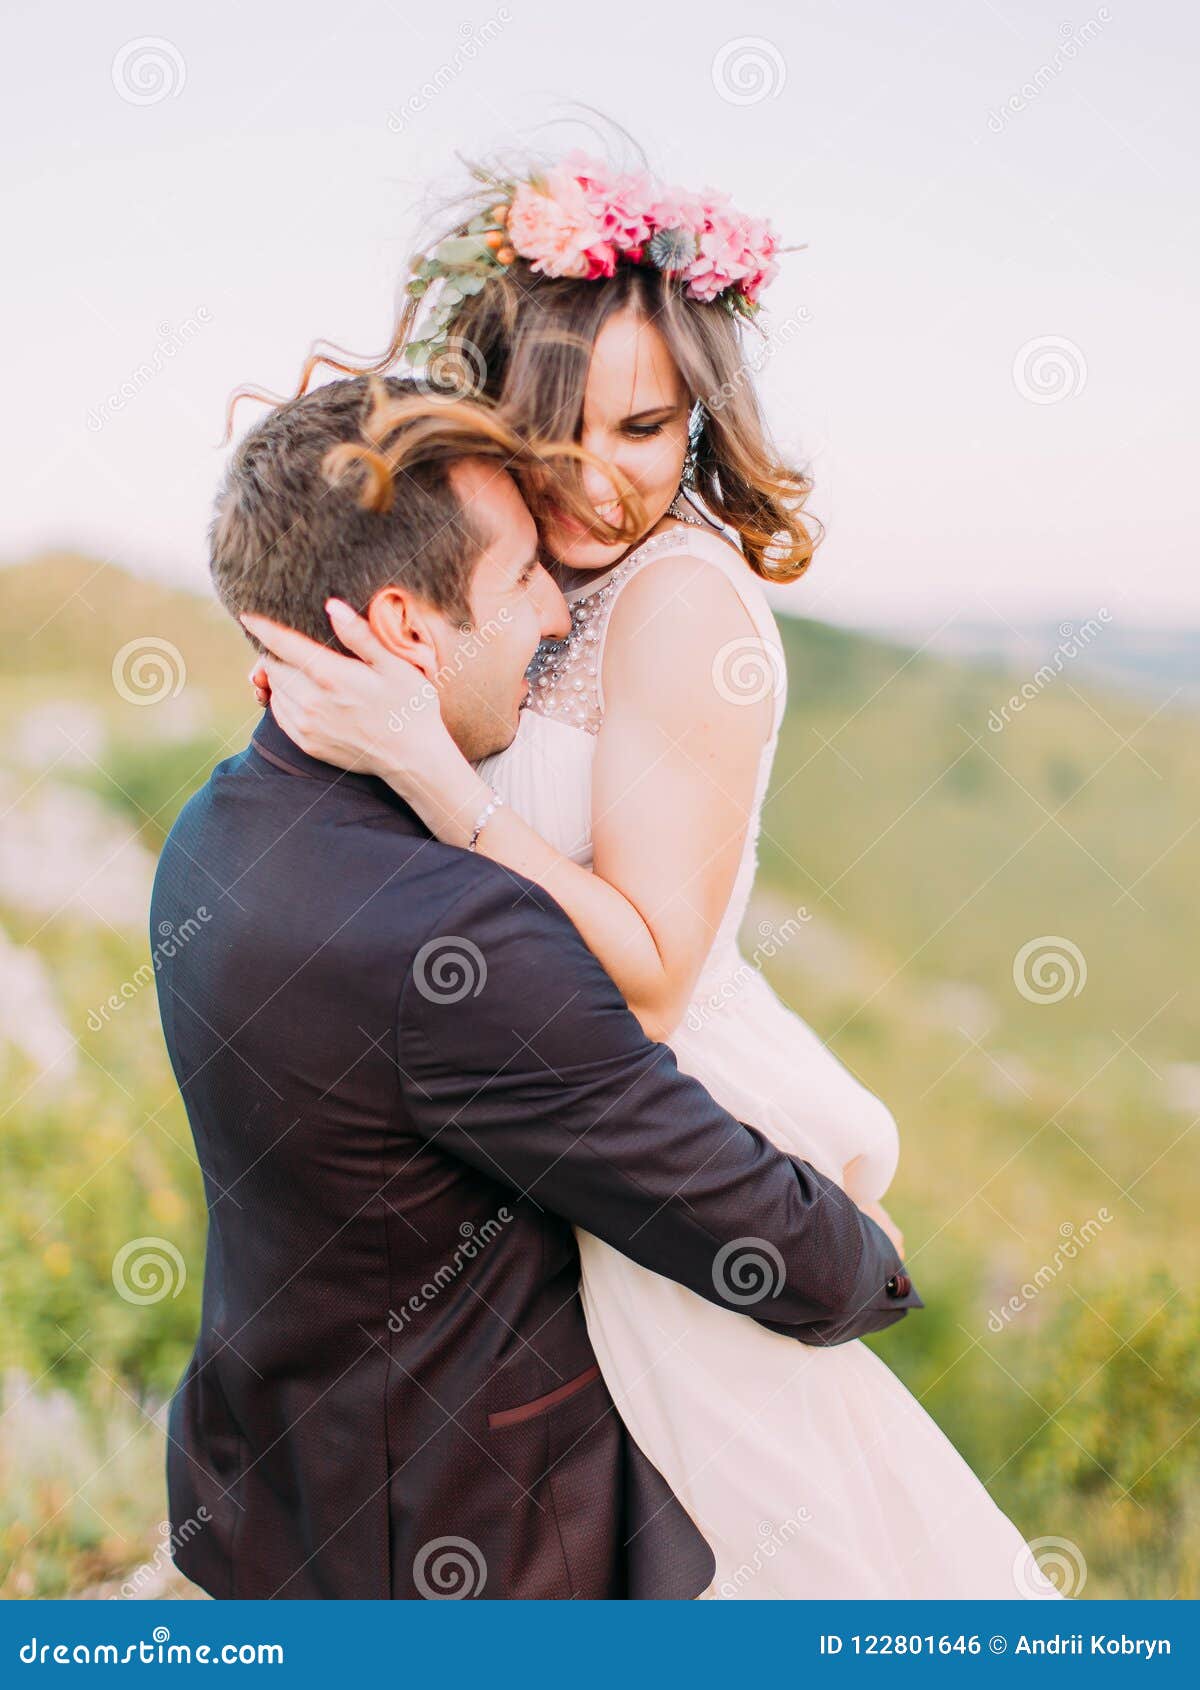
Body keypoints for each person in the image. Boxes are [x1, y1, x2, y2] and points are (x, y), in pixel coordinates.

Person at [243, 151, 1064, 1599]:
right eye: (555, 423)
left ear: (701, 418)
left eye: (647, 424)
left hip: (649, 1109)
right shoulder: (500, 566)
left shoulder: (681, 602)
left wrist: (434, 777)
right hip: (526, 1118)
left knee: (768, 1538)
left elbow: (650, 969)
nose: (599, 471)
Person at [151, 375, 920, 1602]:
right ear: (404, 629)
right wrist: (865, 1257)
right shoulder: (447, 932)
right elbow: (732, 1216)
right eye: (520, 580)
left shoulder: (218, 822)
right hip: (466, 1549)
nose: (559, 615)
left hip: (268, 1487)